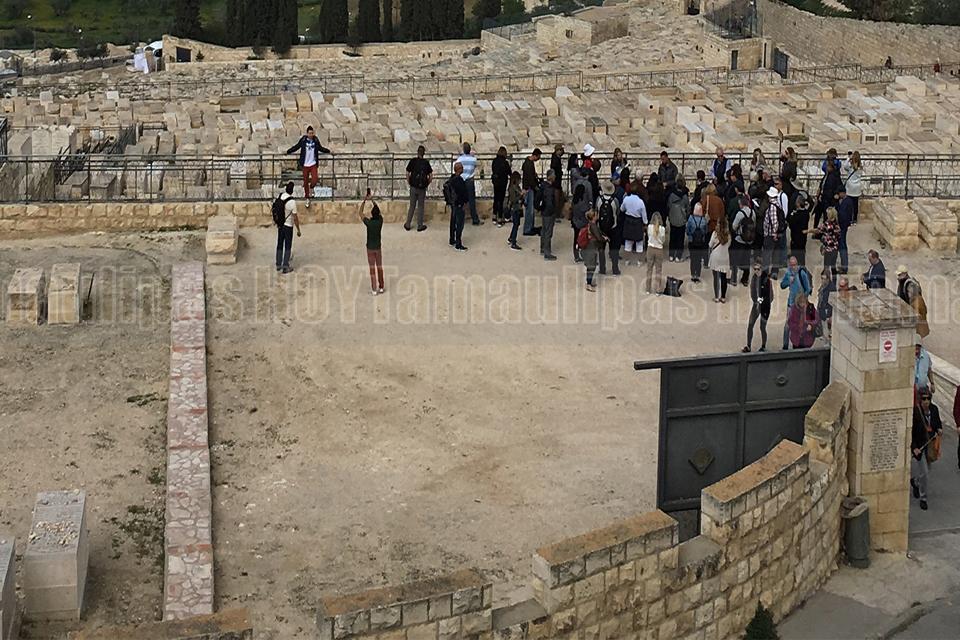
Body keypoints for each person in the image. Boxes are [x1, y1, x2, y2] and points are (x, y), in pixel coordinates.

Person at [911, 390, 943, 511]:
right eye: (924, 399)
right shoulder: (916, 412)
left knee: (927, 471)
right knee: (924, 472)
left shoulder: (934, 410)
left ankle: (915, 481)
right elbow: (911, 432)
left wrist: (939, 429)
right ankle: (923, 498)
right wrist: (914, 448)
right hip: (920, 446)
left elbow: (938, 423)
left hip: (930, 444)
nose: (926, 401)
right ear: (920, 400)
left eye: (928, 399)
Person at [286, 126, 330, 209]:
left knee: (315, 179)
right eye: (309, 133)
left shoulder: (316, 140)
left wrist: (328, 151)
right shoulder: (303, 140)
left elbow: (320, 148)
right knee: (305, 182)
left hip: (313, 163)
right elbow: (297, 146)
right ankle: (307, 198)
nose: (311, 135)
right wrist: (289, 151)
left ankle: (311, 188)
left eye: (312, 133)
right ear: (307, 133)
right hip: (305, 164)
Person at [780, 256, 813, 350]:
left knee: (801, 324)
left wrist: (802, 299)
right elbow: (782, 285)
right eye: (791, 265)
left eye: (794, 265)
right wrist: (788, 281)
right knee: (787, 325)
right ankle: (785, 346)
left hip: (800, 305)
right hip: (791, 303)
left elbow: (808, 289)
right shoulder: (788, 273)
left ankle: (799, 344)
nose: (793, 267)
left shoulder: (802, 273)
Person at [358, 191, 385, 295]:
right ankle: (381, 286)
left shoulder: (369, 223)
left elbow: (360, 213)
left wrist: (365, 200)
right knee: (379, 267)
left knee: (372, 268)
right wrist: (372, 200)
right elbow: (379, 212)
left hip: (370, 248)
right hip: (378, 247)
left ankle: (374, 289)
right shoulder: (380, 221)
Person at [743, 261, 772, 352]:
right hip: (756, 305)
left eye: (758, 269)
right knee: (750, 324)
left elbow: (769, 296)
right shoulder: (754, 278)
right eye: (754, 269)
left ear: (762, 268)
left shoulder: (767, 280)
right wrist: (756, 302)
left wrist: (760, 302)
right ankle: (748, 346)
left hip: (765, 306)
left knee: (762, 327)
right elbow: (753, 292)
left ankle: (763, 346)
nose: (756, 271)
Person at [274, 181, 301, 274]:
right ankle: (285, 266)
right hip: (288, 226)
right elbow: (295, 217)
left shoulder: (281, 196)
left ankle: (278, 264)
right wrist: (298, 229)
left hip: (280, 224)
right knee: (288, 245)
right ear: (292, 191)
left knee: (280, 243)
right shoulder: (292, 202)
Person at [405, 145, 433, 232]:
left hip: (413, 186)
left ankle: (408, 224)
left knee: (412, 206)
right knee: (421, 206)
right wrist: (427, 183)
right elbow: (431, 176)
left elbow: (407, 172)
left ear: (417, 152)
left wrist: (409, 181)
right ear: (424, 153)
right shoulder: (426, 163)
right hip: (422, 187)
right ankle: (420, 225)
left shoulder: (413, 161)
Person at [731, 195, 757, 286]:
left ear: (741, 204)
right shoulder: (753, 212)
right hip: (750, 239)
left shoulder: (740, 213)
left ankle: (734, 279)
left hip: (740, 239)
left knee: (735, 259)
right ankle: (745, 279)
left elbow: (734, 226)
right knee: (746, 260)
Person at [621, 181, 648, 266]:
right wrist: (645, 223)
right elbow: (644, 215)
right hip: (638, 222)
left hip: (628, 221)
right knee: (639, 243)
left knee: (628, 243)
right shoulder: (640, 202)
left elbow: (622, 209)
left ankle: (627, 261)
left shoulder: (626, 199)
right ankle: (639, 262)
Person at [897, 266, 930, 337]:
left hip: (915, 310)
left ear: (905, 274)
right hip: (910, 309)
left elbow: (914, 300)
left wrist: (911, 313)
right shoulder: (903, 282)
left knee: (917, 330)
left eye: (899, 275)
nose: (898, 276)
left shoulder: (910, 284)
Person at [807, 207, 841, 276]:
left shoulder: (827, 224)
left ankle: (826, 280)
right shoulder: (836, 223)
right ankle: (834, 279)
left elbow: (818, 230)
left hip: (828, 247)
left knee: (826, 265)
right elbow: (838, 235)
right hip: (835, 247)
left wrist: (808, 231)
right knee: (833, 265)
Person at [570, 168, 594, 263]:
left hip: (576, 209)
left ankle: (576, 255)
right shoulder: (588, 184)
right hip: (584, 210)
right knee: (585, 235)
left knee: (576, 235)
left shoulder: (576, 183)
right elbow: (590, 197)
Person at [455, 142, 482, 226]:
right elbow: (478, 166)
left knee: (460, 200)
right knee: (471, 200)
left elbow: (455, 167)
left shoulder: (460, 159)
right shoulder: (473, 159)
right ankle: (475, 219)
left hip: (461, 181)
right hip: (470, 181)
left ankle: (458, 218)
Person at [597, 188, 621, 276]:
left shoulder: (599, 199)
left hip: (601, 228)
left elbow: (597, 211)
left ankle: (602, 269)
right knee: (614, 249)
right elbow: (618, 212)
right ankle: (615, 269)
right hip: (613, 227)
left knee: (601, 249)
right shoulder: (615, 201)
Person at [582, 209, 606, 292]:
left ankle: (589, 282)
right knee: (591, 266)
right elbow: (599, 237)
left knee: (591, 266)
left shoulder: (590, 224)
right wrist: (604, 239)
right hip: (591, 248)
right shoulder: (593, 226)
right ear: (594, 217)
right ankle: (588, 284)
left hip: (589, 247)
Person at [539, 169, 561, 261]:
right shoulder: (549, 189)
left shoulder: (543, 186)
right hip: (549, 211)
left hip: (544, 210)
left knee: (544, 230)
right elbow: (550, 202)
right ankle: (547, 253)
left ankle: (543, 248)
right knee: (548, 232)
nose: (555, 177)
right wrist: (554, 211)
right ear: (551, 177)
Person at [814, 157, 843, 228]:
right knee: (818, 215)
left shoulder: (835, 176)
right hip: (822, 198)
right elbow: (822, 184)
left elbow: (839, 186)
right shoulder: (827, 175)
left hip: (828, 200)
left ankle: (825, 232)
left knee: (826, 216)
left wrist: (836, 194)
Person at [686, 199, 710, 283]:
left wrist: (690, 235)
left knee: (693, 259)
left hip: (692, 241)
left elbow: (687, 230)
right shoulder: (703, 220)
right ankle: (698, 274)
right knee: (699, 259)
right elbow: (706, 231)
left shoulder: (690, 219)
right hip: (701, 242)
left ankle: (693, 274)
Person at [709, 214, 731, 304]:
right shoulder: (728, 236)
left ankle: (716, 297)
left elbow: (710, 245)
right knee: (724, 278)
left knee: (716, 278)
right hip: (724, 257)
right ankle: (723, 297)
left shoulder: (715, 234)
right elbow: (728, 245)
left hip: (715, 257)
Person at [667, 177, 689, 262]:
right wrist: (686, 216)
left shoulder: (672, 195)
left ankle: (671, 255)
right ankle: (678, 256)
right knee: (680, 238)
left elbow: (669, 206)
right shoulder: (685, 196)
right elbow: (687, 208)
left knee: (672, 237)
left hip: (673, 218)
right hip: (682, 219)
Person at [448, 162, 469, 252]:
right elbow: (463, 193)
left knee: (453, 222)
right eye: (461, 167)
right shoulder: (459, 181)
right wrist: (465, 203)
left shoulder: (451, 179)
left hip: (453, 204)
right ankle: (458, 244)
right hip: (459, 204)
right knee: (459, 224)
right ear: (459, 169)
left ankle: (452, 239)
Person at [521, 148, 542, 236]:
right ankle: (527, 229)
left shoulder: (528, 162)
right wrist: (536, 187)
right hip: (529, 189)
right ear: (535, 155)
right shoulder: (529, 164)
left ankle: (530, 227)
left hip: (528, 188)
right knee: (529, 210)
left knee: (530, 209)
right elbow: (530, 179)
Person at [787, 192, 811, 267]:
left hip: (796, 238)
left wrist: (792, 215)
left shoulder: (797, 215)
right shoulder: (806, 213)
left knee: (796, 255)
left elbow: (791, 224)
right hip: (803, 238)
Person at [491, 146, 511, 228]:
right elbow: (509, 172)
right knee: (501, 200)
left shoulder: (494, 161)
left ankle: (494, 217)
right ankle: (500, 219)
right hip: (502, 183)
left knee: (496, 199)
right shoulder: (505, 163)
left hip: (496, 183)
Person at [646, 212, 667, 294]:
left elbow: (648, 236)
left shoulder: (649, 227)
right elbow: (663, 240)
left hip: (650, 248)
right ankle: (658, 290)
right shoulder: (662, 229)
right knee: (658, 270)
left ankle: (648, 289)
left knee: (649, 269)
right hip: (659, 249)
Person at [842, 151, 863, 224]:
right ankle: (855, 219)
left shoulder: (850, 166)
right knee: (855, 205)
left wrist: (848, 158)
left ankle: (849, 219)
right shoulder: (860, 167)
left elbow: (844, 166)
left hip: (850, 187)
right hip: (857, 187)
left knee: (849, 204)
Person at [836, 192, 854, 274]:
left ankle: (844, 267)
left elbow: (842, 214)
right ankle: (844, 266)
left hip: (842, 226)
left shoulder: (846, 202)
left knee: (842, 246)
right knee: (843, 245)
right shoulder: (848, 201)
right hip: (844, 226)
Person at [506, 171, 524, 251]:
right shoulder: (512, 188)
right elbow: (513, 199)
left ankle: (511, 238)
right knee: (516, 224)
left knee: (516, 224)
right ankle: (513, 242)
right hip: (514, 208)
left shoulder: (517, 187)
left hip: (518, 208)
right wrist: (521, 195)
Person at [817, 269, 836, 339]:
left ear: (828, 279)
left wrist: (829, 315)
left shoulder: (832, 288)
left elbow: (832, 302)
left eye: (824, 279)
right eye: (822, 278)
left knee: (827, 331)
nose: (822, 280)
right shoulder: (823, 286)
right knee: (823, 327)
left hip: (827, 310)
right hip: (822, 308)